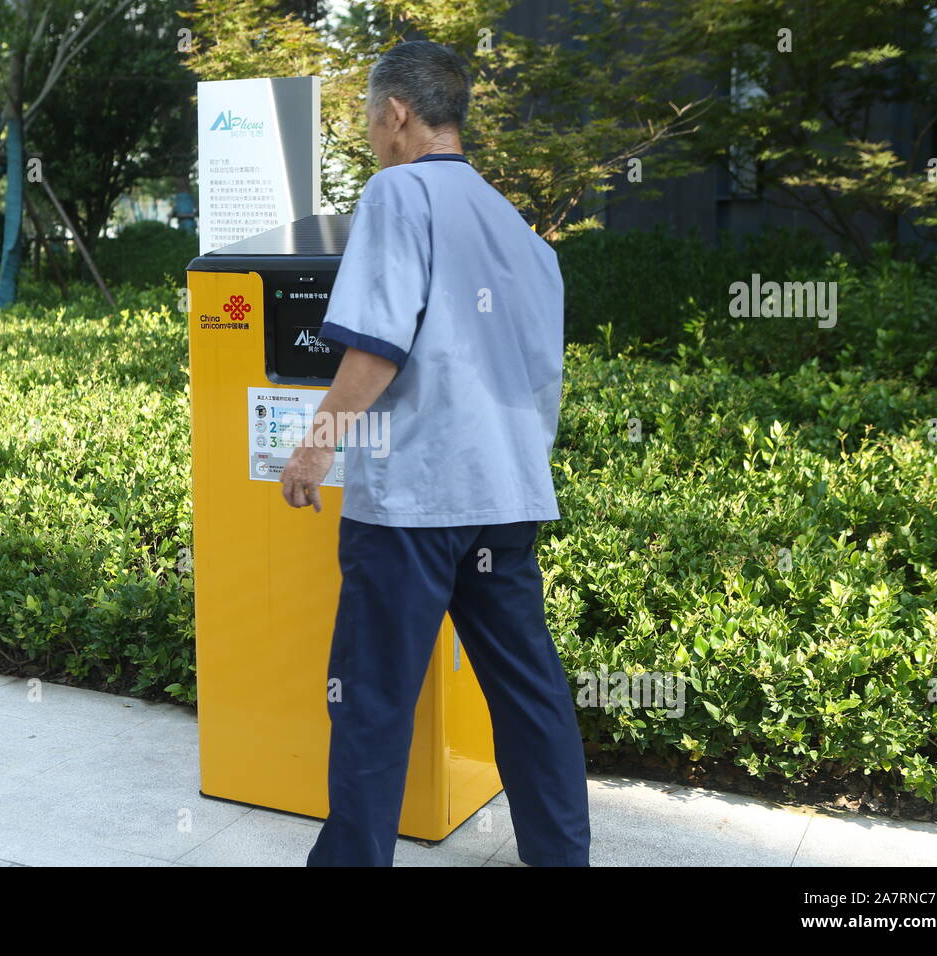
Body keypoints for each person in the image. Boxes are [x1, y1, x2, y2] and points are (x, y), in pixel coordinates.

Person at [278, 39, 591, 867]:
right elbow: (541, 378)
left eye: (370, 117)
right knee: (530, 695)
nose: (372, 133)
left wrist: (312, 450)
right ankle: (563, 857)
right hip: (508, 497)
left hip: (415, 503)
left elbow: (376, 346)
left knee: (373, 701)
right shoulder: (521, 232)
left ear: (399, 113)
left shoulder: (397, 191)